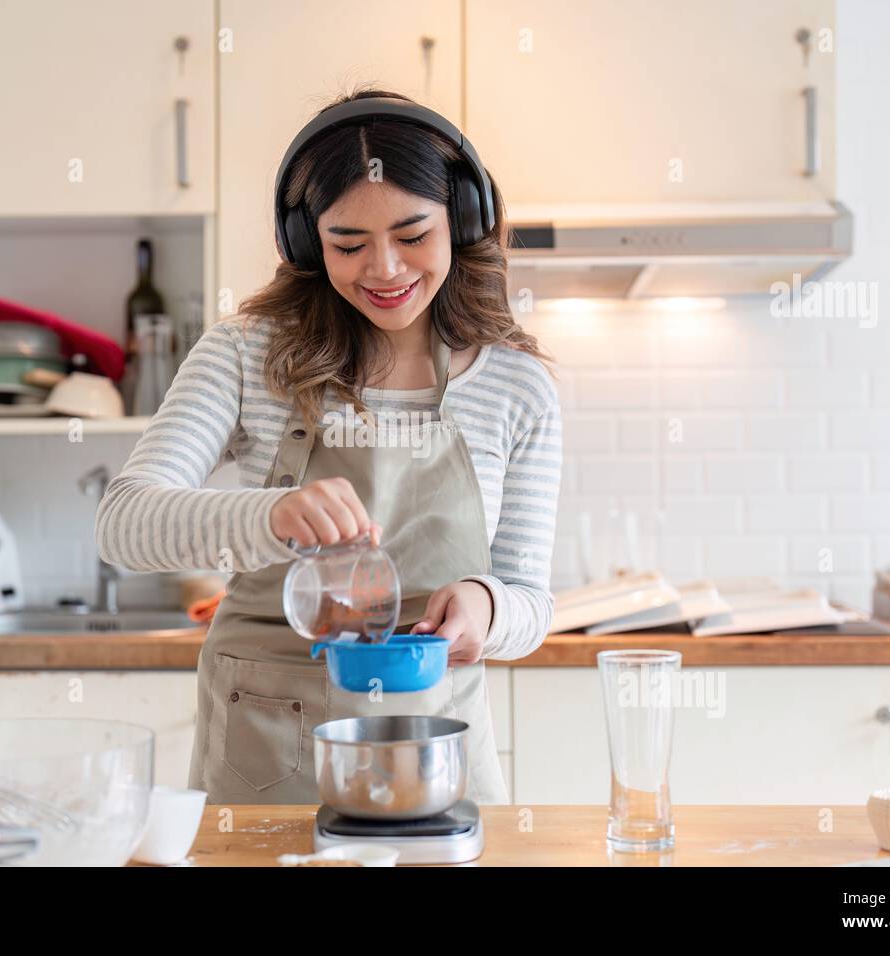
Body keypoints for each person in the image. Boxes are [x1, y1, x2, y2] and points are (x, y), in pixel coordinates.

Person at [96, 89, 562, 806]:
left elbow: (530, 600)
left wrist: (488, 606)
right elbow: (124, 525)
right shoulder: (245, 354)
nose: (383, 268)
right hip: (264, 748)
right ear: (309, 241)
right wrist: (270, 516)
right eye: (348, 243)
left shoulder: (516, 386)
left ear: (462, 219)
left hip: (436, 747)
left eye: (413, 235)